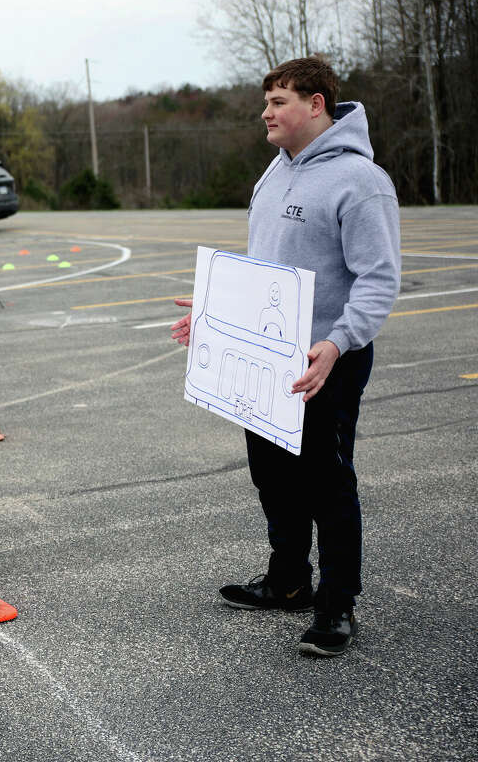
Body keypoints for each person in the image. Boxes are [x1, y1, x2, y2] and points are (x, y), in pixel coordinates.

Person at [171, 55, 400, 657]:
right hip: (268, 360)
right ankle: (289, 580)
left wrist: (338, 341)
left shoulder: (361, 182)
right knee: (272, 475)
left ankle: (336, 604)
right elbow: (260, 274)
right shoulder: (273, 174)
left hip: (328, 361)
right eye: (266, 102)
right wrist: (212, 314)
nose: (265, 113)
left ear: (316, 104)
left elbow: (378, 280)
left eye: (278, 102)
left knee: (327, 483)